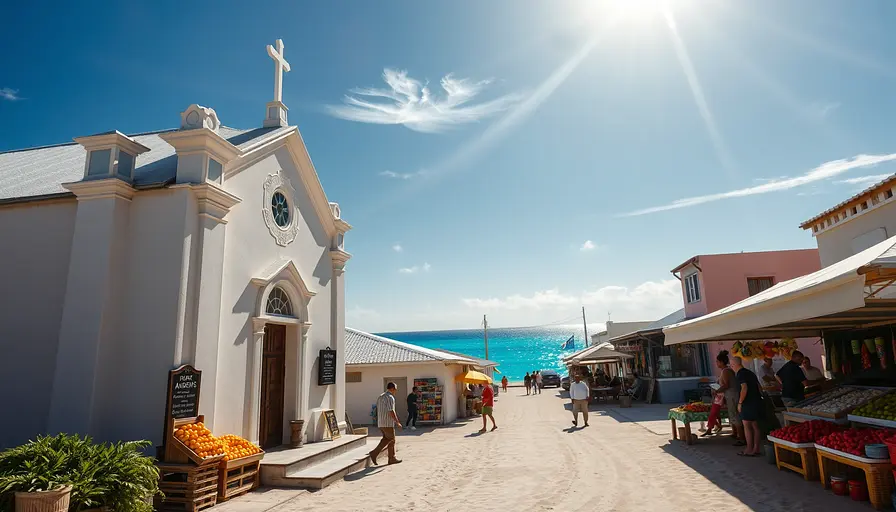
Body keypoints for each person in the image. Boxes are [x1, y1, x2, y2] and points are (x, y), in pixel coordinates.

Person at [732, 356, 763, 456]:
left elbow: (744, 388)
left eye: (731, 364)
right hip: (756, 401)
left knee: (747, 426)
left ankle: (749, 449)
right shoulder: (750, 373)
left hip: (747, 402)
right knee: (755, 426)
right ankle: (756, 448)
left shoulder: (740, 374)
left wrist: (740, 403)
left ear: (735, 364)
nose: (731, 366)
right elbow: (759, 387)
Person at [369, 382, 402, 466]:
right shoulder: (390, 397)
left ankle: (392, 458)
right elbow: (391, 410)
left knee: (390, 440)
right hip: (387, 423)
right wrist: (397, 421)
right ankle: (374, 453)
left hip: (381, 422)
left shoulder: (381, 396)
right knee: (389, 439)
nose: (396, 391)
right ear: (392, 388)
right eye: (395, 389)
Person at [716, 350, 745, 446]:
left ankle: (741, 438)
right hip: (731, 395)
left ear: (721, 362)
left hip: (732, 395)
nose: (716, 364)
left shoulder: (726, 371)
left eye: (717, 362)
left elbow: (726, 385)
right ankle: (735, 433)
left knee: (735, 415)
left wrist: (717, 390)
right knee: (733, 415)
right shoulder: (727, 370)